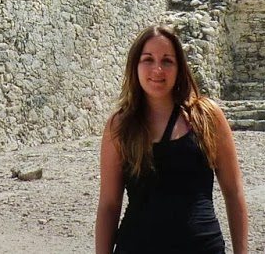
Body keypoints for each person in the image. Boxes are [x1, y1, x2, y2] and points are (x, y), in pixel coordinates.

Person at [95, 26, 247, 254]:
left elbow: (233, 192)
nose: (157, 69)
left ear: (179, 68)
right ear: (135, 66)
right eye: (148, 59)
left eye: (167, 61)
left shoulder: (206, 116)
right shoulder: (120, 126)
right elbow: (109, 205)